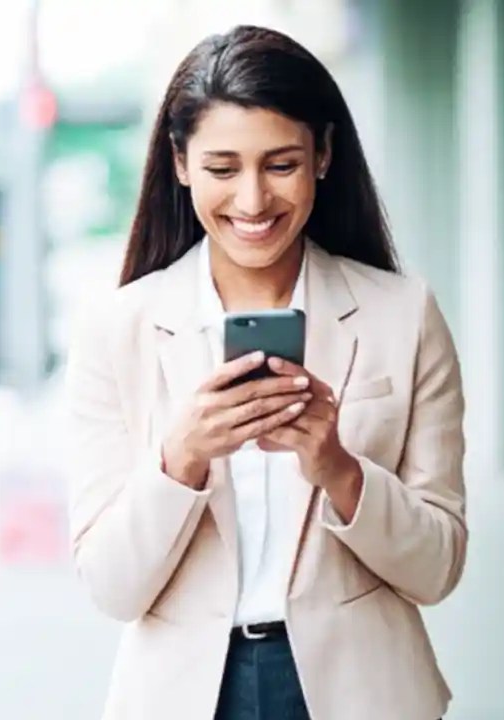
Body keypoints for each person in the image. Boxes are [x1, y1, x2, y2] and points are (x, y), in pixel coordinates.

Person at [62, 25, 466, 720]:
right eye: (222, 169)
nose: (252, 202)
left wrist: (337, 467)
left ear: (324, 155)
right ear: (181, 163)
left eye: (280, 164)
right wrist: (182, 456)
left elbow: (437, 569)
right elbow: (111, 589)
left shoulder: (403, 314)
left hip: (360, 691)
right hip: (182, 694)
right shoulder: (118, 328)